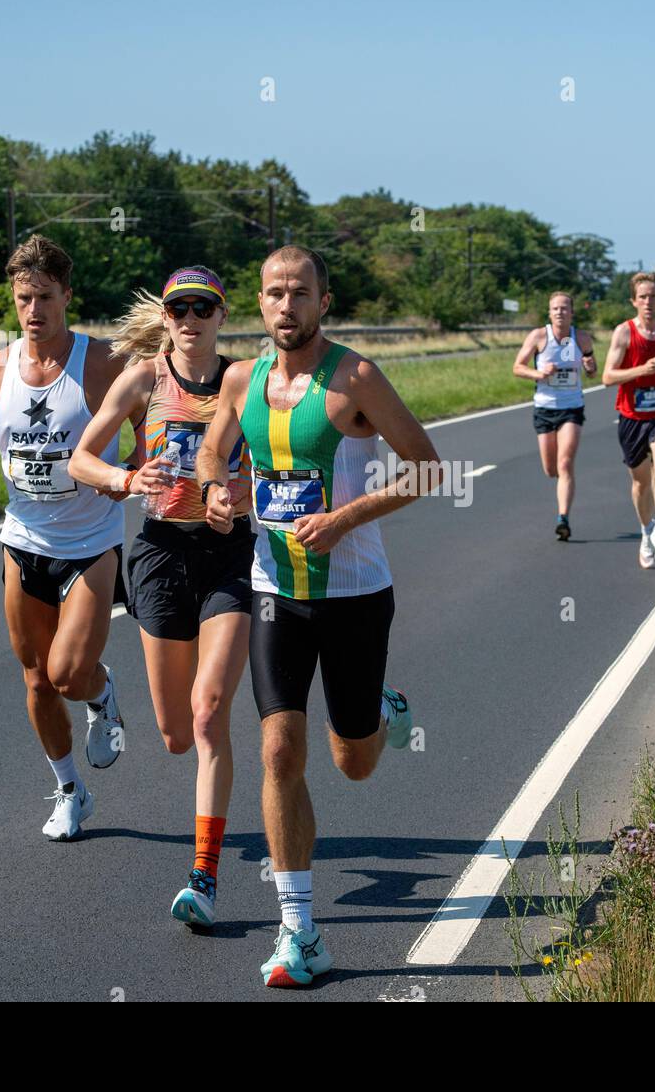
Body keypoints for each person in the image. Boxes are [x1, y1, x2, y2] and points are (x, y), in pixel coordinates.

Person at [198, 245, 439, 987]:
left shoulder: (356, 378)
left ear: (323, 302)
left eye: (299, 293)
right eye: (273, 293)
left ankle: (376, 710)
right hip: (275, 590)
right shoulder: (241, 380)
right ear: (260, 302)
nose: (285, 306)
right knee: (278, 752)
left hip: (356, 594)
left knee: (354, 762)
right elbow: (212, 455)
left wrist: (346, 516)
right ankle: (300, 930)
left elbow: (429, 466)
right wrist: (216, 493)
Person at [69, 265, 254, 927]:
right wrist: (125, 476)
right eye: (180, 308)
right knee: (176, 735)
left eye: (203, 307)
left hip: (229, 556)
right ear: (168, 317)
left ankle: (203, 877)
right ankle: (112, 693)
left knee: (209, 717)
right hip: (159, 555)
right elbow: (80, 460)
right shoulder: (146, 378)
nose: (190, 319)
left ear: (221, 316)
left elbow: (281, 468)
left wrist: (241, 496)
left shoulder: (244, 381)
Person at [0, 234, 131, 841]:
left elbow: (147, 431)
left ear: (67, 296)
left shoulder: (99, 364)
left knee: (71, 672)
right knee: (36, 678)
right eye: (23, 298)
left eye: (45, 297)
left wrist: (131, 476)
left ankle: (103, 696)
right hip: (23, 540)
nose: (33, 311)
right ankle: (71, 790)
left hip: (91, 543)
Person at [602, 271, 655, 567]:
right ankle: (646, 530)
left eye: (653, 296)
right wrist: (640, 371)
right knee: (641, 484)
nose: (648, 302)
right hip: (632, 416)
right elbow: (607, 376)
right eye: (642, 297)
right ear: (633, 301)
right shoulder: (624, 332)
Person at [512, 291, 598, 540]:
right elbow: (517, 367)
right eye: (555, 309)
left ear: (572, 312)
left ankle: (563, 518)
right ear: (549, 313)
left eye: (564, 308)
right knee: (551, 469)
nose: (560, 312)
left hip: (572, 407)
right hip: (545, 407)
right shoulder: (539, 336)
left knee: (565, 463)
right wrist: (539, 373)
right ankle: (563, 486)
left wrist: (590, 367)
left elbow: (592, 369)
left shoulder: (580, 337)